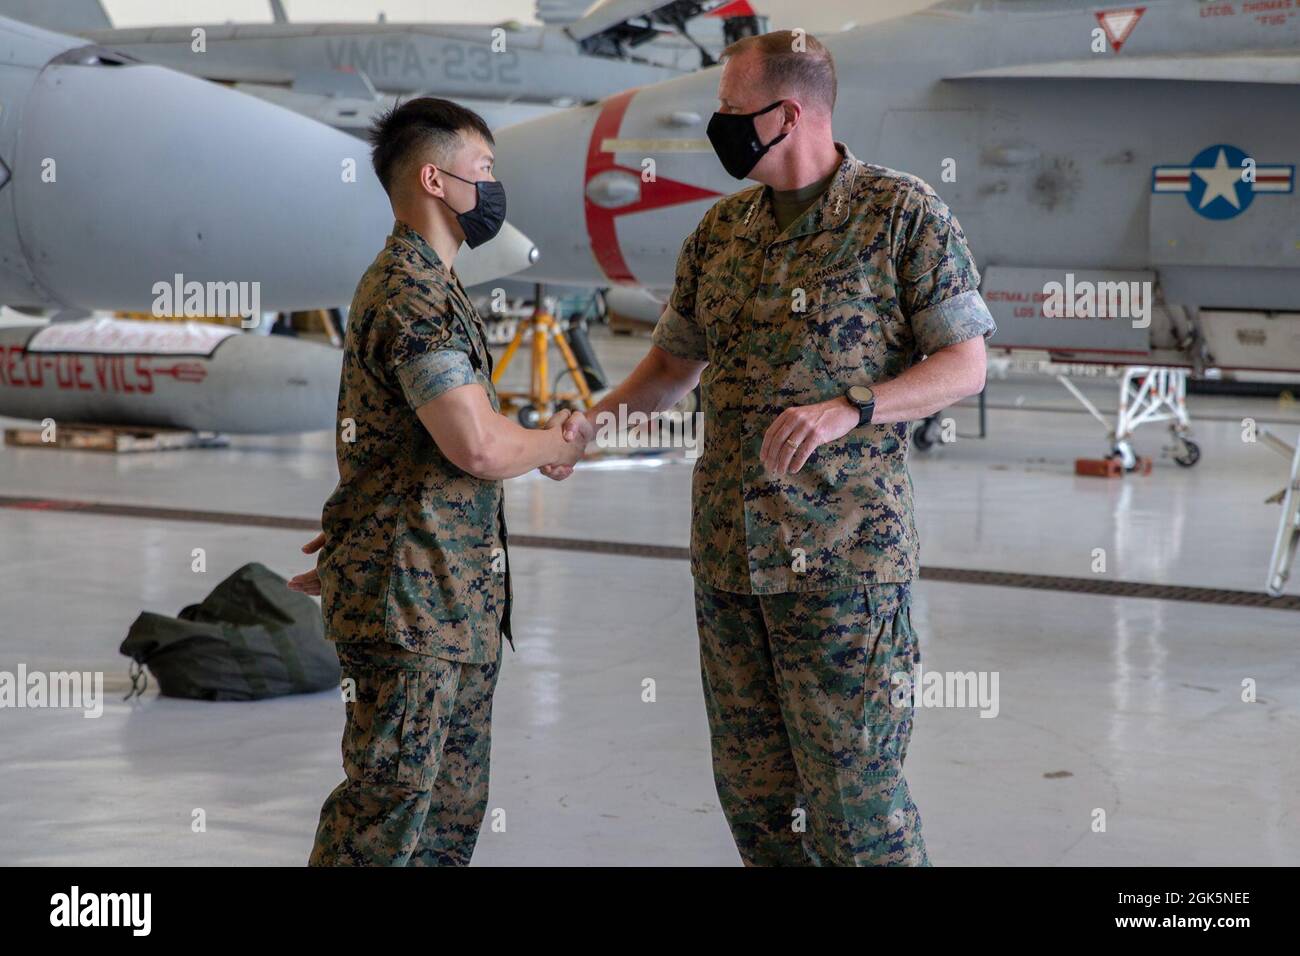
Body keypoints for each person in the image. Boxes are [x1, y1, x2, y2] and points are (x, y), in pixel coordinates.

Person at [547, 30, 996, 866]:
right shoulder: (720, 233)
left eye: (728, 111)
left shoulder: (901, 216)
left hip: (843, 572)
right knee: (759, 811)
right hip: (729, 564)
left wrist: (855, 407)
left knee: (857, 814)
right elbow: (671, 365)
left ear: (787, 114)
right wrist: (587, 430)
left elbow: (965, 364)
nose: (718, 127)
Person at [291, 97, 582, 866]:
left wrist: (363, 522)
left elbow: (406, 445)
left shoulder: (437, 287)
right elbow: (477, 447)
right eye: (482, 169)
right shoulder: (411, 292)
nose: (491, 185)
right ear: (435, 177)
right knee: (386, 820)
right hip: (413, 608)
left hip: (447, 600)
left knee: (444, 823)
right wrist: (554, 440)